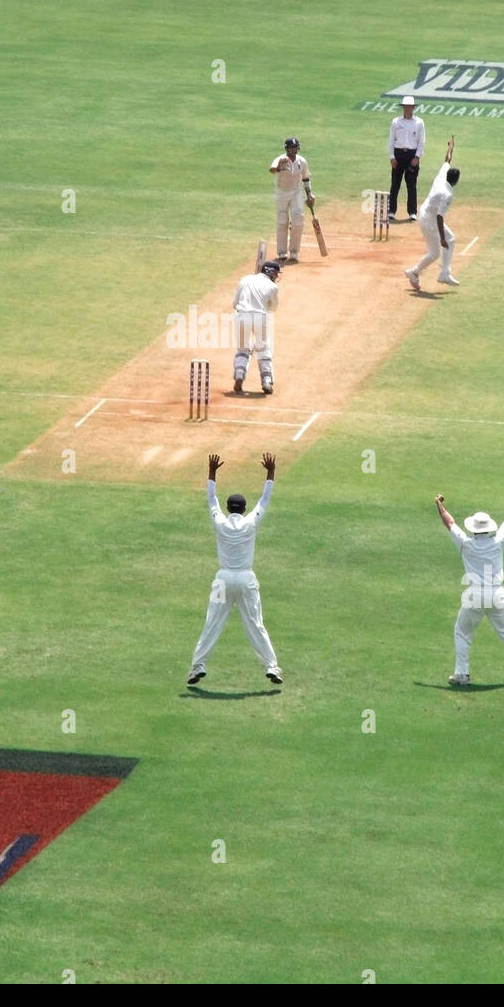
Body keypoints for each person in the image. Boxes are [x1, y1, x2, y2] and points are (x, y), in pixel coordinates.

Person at [187, 452, 283, 688]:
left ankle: (197, 666)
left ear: (229, 509)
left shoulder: (220, 521)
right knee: (255, 623)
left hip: (223, 580)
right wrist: (270, 473)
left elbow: (211, 500)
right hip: (246, 580)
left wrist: (212, 472)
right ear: (244, 508)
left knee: (212, 622)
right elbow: (264, 500)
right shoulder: (251, 523)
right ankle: (272, 667)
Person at [434, 484, 504, 688]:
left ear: (473, 529)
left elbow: (450, 523)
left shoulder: (466, 543)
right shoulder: (498, 541)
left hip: (474, 596)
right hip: (497, 594)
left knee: (462, 632)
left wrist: (439, 504)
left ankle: (462, 674)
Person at [405, 139, 459, 290]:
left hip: (426, 215)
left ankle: (434, 273)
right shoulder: (447, 194)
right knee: (440, 248)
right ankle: (423, 273)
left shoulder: (443, 175)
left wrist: (451, 147)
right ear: (455, 182)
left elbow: (447, 159)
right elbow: (440, 217)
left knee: (447, 243)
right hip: (430, 221)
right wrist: (442, 237)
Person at [232, 258, 280, 395]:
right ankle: (266, 380)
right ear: (271, 273)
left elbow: (235, 303)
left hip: (241, 315)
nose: (276, 277)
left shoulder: (244, 280)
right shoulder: (272, 287)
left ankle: (239, 374)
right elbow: (274, 307)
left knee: (243, 348)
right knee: (263, 348)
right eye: (276, 274)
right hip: (260, 317)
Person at [270, 135, 313, 264]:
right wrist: (279, 167)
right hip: (281, 193)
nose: (292, 150)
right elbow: (271, 169)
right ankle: (282, 252)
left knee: (298, 218)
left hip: (296, 192)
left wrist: (309, 194)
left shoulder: (302, 161)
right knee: (282, 221)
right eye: (290, 147)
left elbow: (306, 178)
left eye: (294, 147)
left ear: (297, 148)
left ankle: (294, 252)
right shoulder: (280, 159)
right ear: (286, 148)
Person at [388, 93, 424, 221]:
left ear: (413, 108)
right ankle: (391, 211)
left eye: (410, 107)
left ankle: (412, 212)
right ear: (403, 107)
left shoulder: (419, 122)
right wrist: (392, 157)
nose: (408, 109)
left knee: (412, 185)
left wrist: (417, 157)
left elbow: (421, 141)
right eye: (405, 106)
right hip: (398, 154)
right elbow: (391, 140)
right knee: (395, 184)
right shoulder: (396, 122)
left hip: (411, 155)